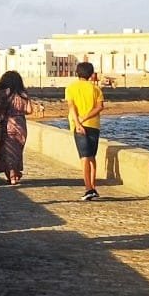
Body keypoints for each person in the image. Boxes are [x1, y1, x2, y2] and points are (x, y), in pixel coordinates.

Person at [66, 61, 106, 201]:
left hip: (79, 126)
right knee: (92, 157)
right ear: (91, 74)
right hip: (94, 125)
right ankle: (93, 187)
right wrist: (86, 118)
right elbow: (100, 107)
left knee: (84, 158)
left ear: (77, 73)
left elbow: (72, 107)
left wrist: (78, 122)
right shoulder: (95, 89)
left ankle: (88, 189)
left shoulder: (71, 88)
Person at [0, 71, 34, 186]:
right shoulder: (23, 94)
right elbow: (29, 110)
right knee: (18, 151)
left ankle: (12, 175)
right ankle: (16, 173)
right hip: (21, 124)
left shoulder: (4, 94)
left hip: (8, 123)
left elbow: (0, 110)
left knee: (8, 150)